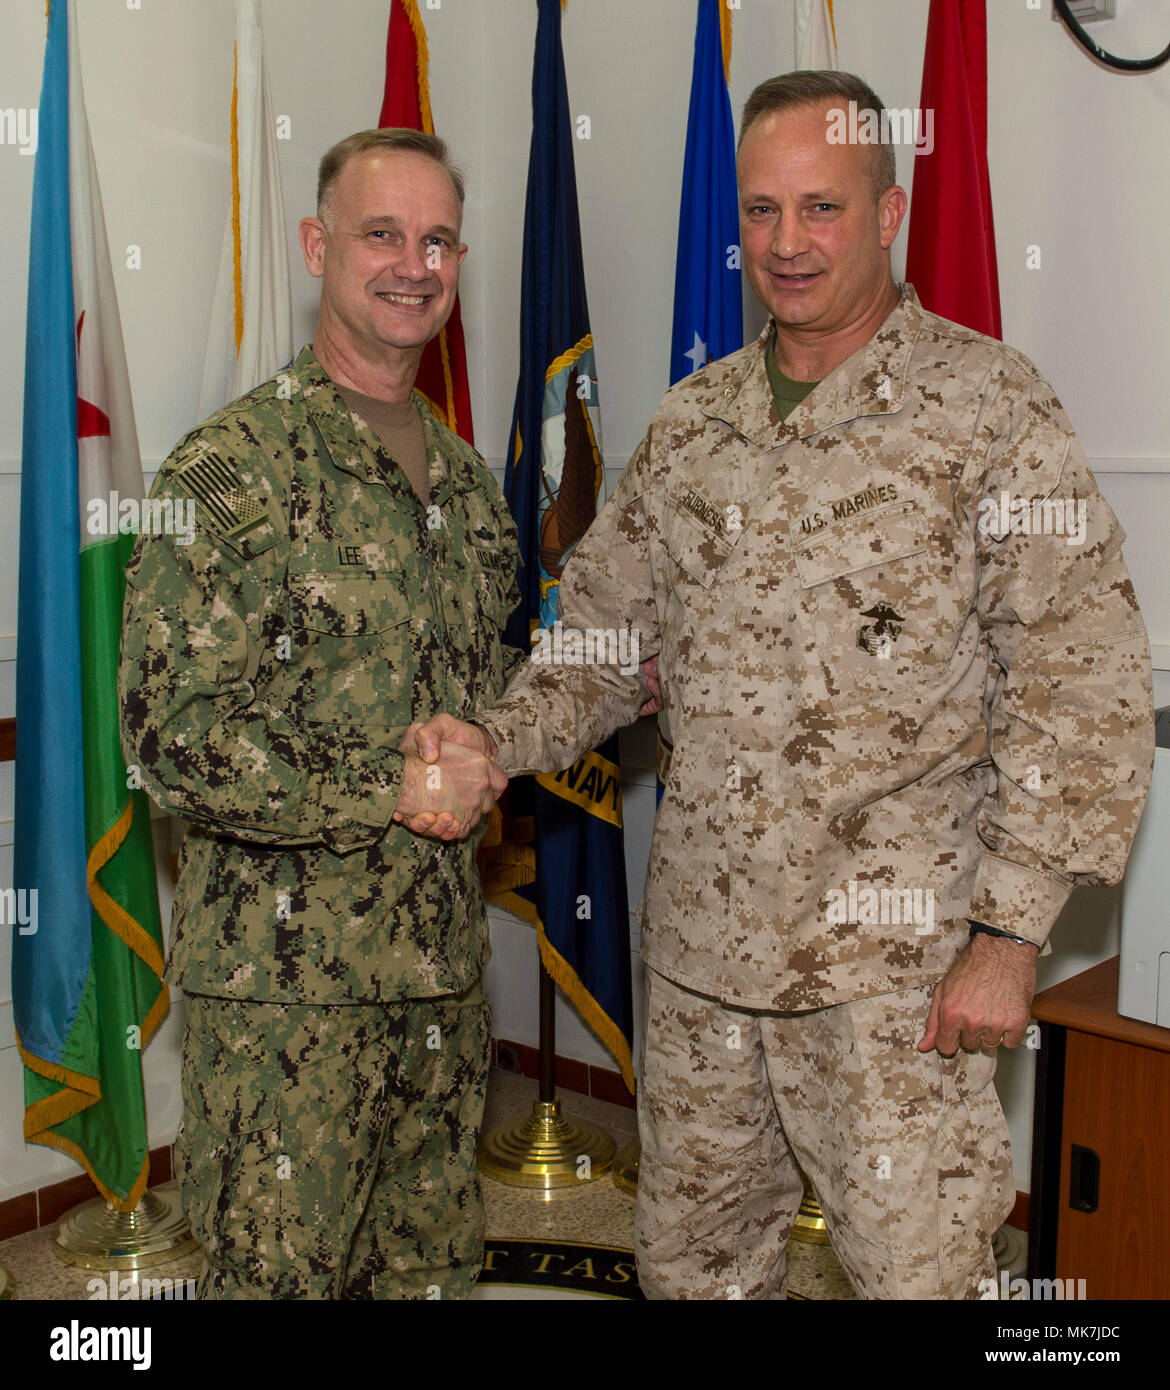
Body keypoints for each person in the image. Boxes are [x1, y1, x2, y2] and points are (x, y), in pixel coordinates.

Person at [402, 71, 1154, 1299]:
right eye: (761, 211)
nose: (787, 244)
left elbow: (1080, 684)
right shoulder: (694, 428)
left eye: (821, 208)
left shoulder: (990, 411)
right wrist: (491, 742)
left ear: (889, 210)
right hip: (703, 968)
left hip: (893, 984)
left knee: (919, 1282)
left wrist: (1012, 934)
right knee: (694, 1276)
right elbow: (600, 638)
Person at [118, 128, 518, 1299]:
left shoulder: (472, 495)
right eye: (381, 234)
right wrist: (383, 783)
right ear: (317, 247)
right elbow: (170, 738)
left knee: (429, 1279)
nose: (414, 264)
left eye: (437, 239)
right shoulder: (228, 471)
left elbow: (484, 704)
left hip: (440, 986)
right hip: (287, 1011)